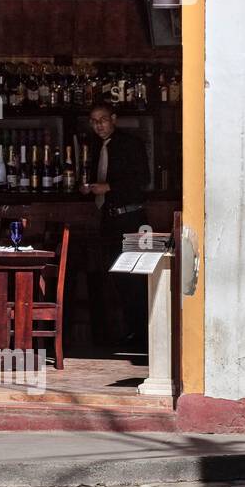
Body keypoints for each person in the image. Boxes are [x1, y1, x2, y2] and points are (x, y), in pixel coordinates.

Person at [80, 101, 150, 347]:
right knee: (118, 276)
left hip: (131, 219)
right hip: (109, 218)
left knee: (136, 278)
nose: (98, 125)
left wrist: (107, 187)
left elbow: (142, 181)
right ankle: (133, 331)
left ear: (114, 119)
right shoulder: (97, 147)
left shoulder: (130, 144)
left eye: (103, 119)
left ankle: (144, 334)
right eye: (94, 121)